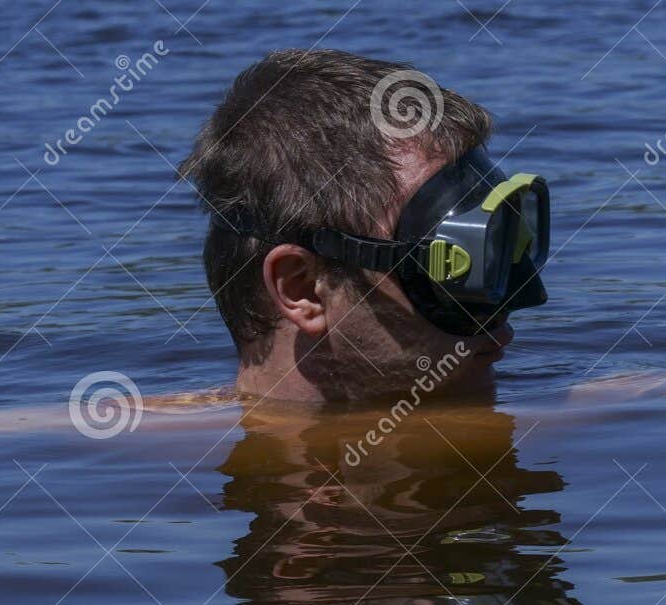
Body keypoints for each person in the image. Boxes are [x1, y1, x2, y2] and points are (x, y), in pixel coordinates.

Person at [181, 49, 550, 407]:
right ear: (303, 289)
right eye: (462, 262)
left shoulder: (561, 406)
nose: (524, 295)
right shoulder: (145, 449)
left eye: (503, 241)